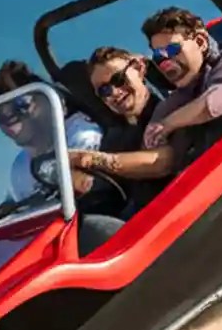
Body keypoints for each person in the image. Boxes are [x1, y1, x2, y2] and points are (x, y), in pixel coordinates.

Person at [139, 7, 222, 167]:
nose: (165, 60)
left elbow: (218, 101)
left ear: (201, 42)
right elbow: (150, 153)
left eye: (173, 49)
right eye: (158, 55)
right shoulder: (172, 103)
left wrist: (168, 124)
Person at [66, 45, 176, 216]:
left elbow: (164, 162)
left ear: (139, 68)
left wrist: (88, 159)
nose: (115, 92)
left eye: (118, 79)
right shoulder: (117, 138)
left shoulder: (172, 104)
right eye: (104, 90)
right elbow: (107, 190)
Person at [0, 59, 103, 202]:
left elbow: (88, 196)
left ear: (50, 100)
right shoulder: (20, 167)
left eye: (21, 105)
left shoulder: (82, 135)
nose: (10, 117)